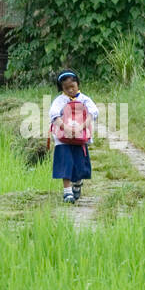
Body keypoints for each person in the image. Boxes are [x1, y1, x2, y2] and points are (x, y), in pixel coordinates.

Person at [48, 70, 98, 204]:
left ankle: (77, 183)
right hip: (63, 139)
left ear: (78, 84)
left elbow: (93, 113)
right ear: (61, 88)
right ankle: (67, 192)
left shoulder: (84, 99)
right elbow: (53, 115)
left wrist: (81, 128)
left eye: (73, 87)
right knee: (65, 163)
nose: (70, 90)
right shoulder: (59, 101)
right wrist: (66, 127)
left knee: (79, 165)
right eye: (66, 88)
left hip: (80, 138)